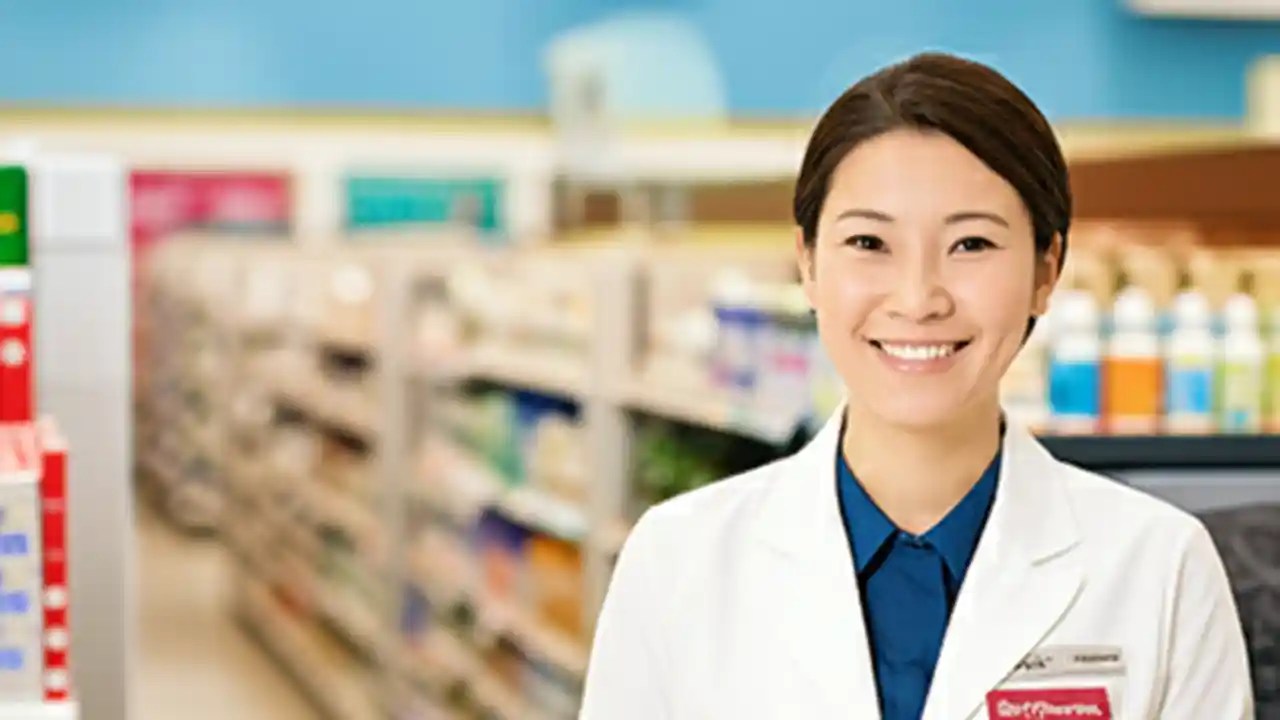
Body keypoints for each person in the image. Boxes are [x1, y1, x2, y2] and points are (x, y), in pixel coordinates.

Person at [579, 52, 1253, 720]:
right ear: (808, 264)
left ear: (1046, 271)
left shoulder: (1160, 565)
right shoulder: (677, 560)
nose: (918, 298)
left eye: (971, 246)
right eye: (870, 244)